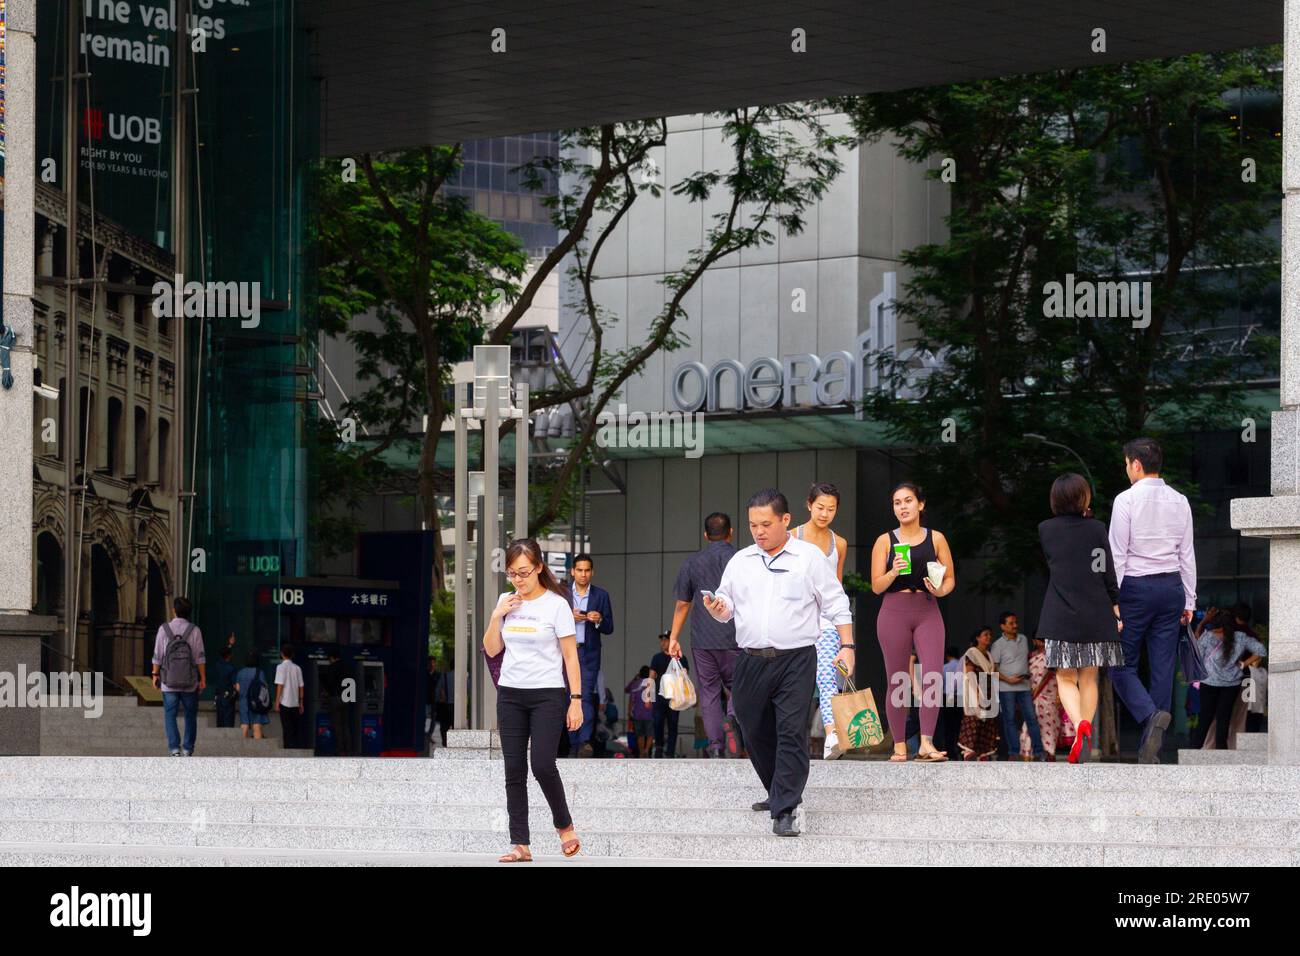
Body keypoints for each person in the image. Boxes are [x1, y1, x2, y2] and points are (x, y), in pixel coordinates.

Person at [703, 488, 854, 837]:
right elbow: (727, 604)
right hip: (751, 660)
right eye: (753, 524)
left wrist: (847, 644)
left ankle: (785, 807)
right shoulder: (740, 560)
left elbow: (835, 602)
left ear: (786, 520)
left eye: (766, 524)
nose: (758, 531)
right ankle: (778, 790)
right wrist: (718, 607)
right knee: (752, 729)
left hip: (796, 659)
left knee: (790, 732)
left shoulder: (809, 558)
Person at [484, 537, 584, 862]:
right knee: (513, 769)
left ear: (539, 568)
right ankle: (520, 844)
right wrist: (496, 615)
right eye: (512, 574)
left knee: (542, 764)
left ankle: (564, 826)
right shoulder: (506, 601)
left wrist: (576, 700)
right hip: (511, 695)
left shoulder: (557, 605)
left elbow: (571, 657)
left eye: (524, 572)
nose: (518, 580)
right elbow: (492, 649)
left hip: (548, 696)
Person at [1109, 437, 1196, 763]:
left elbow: (1118, 553)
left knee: (1119, 663)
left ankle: (1148, 716)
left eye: (1126, 463)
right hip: (1171, 588)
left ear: (1136, 464)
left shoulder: (1125, 500)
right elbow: (1187, 553)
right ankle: (1151, 746)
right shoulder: (1180, 500)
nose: (1126, 469)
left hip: (1134, 588)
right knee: (1163, 667)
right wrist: (1190, 598)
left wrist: (1113, 600)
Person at [1037, 472, 1124, 764]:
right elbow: (1105, 570)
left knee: (1064, 676)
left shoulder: (1045, 530)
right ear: (1083, 497)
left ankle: (1079, 728)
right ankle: (1083, 731)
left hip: (1060, 612)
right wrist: (1115, 602)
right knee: (1089, 675)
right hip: (1096, 611)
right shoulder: (1097, 529)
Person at [869, 482, 954, 762]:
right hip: (893, 610)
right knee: (897, 680)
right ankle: (900, 744)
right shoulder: (885, 541)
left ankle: (926, 743)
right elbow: (876, 586)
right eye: (897, 502)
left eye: (907, 501)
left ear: (920, 504)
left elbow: (950, 579)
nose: (902, 507)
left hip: (928, 609)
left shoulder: (937, 538)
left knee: (932, 676)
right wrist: (893, 571)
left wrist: (939, 590)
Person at [668, 512, 739, 759]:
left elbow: (683, 604)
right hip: (736, 638)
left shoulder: (692, 562)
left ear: (706, 535)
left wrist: (674, 637)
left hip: (703, 640)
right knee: (738, 687)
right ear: (731, 532)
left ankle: (716, 746)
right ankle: (732, 719)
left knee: (708, 691)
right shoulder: (741, 560)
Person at [790, 483, 850, 760]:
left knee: (827, 677)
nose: (825, 513)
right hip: (793, 623)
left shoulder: (839, 543)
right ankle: (790, 742)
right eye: (820, 507)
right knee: (795, 684)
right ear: (809, 504)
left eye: (831, 509)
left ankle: (832, 734)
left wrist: (846, 638)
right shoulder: (791, 537)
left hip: (826, 622)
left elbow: (837, 588)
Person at [1191, 609, 1267, 750]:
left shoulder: (1208, 637)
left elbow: (1198, 656)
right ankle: (1222, 749)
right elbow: (1261, 650)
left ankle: (1195, 748)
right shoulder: (1240, 637)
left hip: (1209, 682)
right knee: (1224, 717)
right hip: (1231, 684)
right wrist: (1244, 663)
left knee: (1205, 717)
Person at [568, 554, 616, 757]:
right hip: (566, 652)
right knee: (566, 696)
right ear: (572, 571)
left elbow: (609, 627)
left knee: (586, 696)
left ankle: (584, 741)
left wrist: (598, 620)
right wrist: (568, 616)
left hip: (589, 653)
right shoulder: (562, 595)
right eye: (579, 570)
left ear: (592, 572)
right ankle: (570, 740)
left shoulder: (601, 595)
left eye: (587, 570)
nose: (583, 574)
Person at [151, 595, 206, 757]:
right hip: (190, 682)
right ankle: (188, 748)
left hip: (169, 681)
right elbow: (199, 657)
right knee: (190, 715)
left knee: (170, 714)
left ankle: (174, 748)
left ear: (174, 611)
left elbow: (157, 655)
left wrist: (155, 674)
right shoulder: (195, 630)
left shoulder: (164, 629)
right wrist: (202, 678)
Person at [990, 612, 1045, 761]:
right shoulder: (997, 645)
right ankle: (1014, 753)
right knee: (1010, 720)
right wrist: (1008, 679)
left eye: (1015, 622)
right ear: (1002, 626)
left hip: (1024, 686)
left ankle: (1039, 752)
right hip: (1006, 688)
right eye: (1011, 623)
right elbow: (993, 669)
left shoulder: (1024, 639)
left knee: (1032, 719)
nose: (1015, 625)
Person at [957, 627, 999, 760]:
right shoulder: (972, 652)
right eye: (985, 635)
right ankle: (968, 751)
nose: (988, 637)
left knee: (987, 722)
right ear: (978, 638)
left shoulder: (988, 654)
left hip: (988, 690)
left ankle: (983, 752)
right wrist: (976, 694)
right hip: (975, 688)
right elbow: (969, 673)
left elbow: (993, 673)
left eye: (990, 635)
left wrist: (1010, 679)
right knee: (973, 720)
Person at [650, 631, 689, 757]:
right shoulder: (657, 658)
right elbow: (651, 677)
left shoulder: (681, 658)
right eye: (662, 640)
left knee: (673, 724)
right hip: (660, 697)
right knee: (657, 721)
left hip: (674, 697)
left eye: (666, 640)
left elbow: (685, 676)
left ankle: (670, 751)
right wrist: (648, 696)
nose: (663, 643)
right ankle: (659, 747)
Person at [323, 648, 354, 757]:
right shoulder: (348, 667)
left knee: (337, 725)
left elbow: (328, 683)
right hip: (347, 698)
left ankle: (340, 750)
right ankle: (349, 750)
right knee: (345, 725)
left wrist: (327, 694)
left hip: (335, 698)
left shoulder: (332, 668)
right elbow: (352, 683)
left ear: (332, 658)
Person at [274, 644, 305, 750]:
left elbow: (280, 685)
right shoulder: (297, 668)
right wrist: (301, 702)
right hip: (295, 703)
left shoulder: (280, 667)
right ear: (292, 655)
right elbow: (301, 686)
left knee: (286, 729)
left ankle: (287, 750)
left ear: (281, 654)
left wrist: (277, 701)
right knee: (295, 728)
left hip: (284, 702)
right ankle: (295, 749)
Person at [235, 651, 269, 739]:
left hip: (243, 702)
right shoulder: (260, 672)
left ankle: (241, 750)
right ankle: (257, 751)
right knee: (256, 726)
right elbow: (264, 687)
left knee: (244, 725)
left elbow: (238, 688)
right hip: (256, 702)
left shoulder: (240, 672)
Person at [625, 666, 656, 757]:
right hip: (649, 714)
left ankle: (641, 751)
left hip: (637, 714)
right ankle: (647, 749)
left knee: (640, 735)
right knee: (650, 734)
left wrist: (629, 712)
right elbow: (654, 700)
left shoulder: (635, 684)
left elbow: (630, 697)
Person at [940, 645, 964, 754]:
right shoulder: (962, 665)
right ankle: (961, 750)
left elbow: (941, 683)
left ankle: (950, 751)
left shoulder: (944, 667)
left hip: (948, 697)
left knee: (949, 726)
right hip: (960, 696)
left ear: (948, 656)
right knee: (959, 725)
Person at [428, 655, 454, 748]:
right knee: (455, 726)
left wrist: (436, 701)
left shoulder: (445, 676)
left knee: (444, 727)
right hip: (457, 707)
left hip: (446, 706)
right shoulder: (463, 677)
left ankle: (445, 743)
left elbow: (437, 691)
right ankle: (455, 743)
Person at [214, 647, 238, 728]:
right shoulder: (231, 668)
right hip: (228, 697)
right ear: (229, 655)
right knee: (228, 721)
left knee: (219, 721)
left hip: (219, 696)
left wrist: (230, 645)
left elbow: (222, 654)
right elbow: (235, 684)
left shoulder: (217, 665)